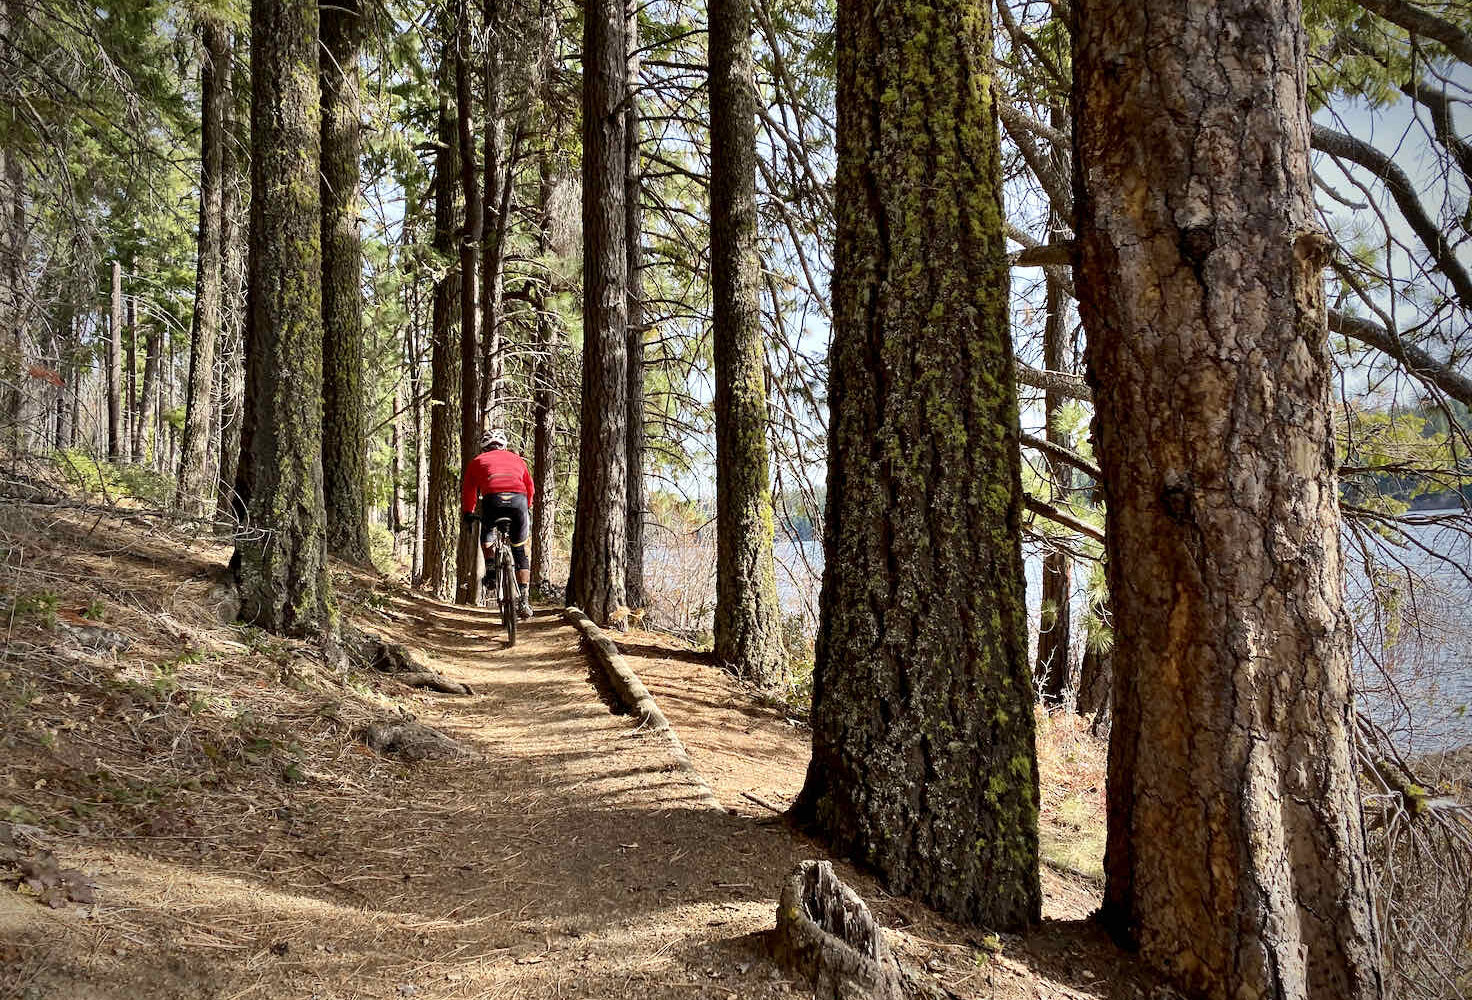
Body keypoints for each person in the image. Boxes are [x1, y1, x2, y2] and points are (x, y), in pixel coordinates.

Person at [461, 428, 534, 619]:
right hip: (519, 502)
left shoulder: (477, 461)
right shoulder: (518, 460)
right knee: (519, 550)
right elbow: (530, 487)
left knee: (487, 535)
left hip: (492, 501)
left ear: (484, 447)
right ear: (504, 446)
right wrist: (527, 507)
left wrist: (468, 512)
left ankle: (492, 568)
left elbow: (469, 490)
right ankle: (524, 599)